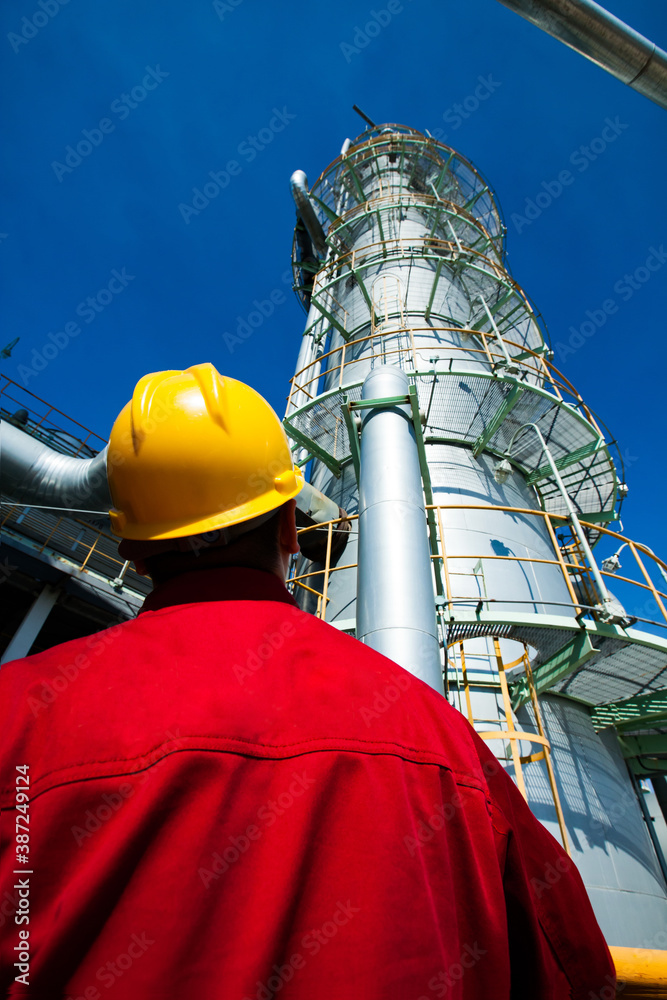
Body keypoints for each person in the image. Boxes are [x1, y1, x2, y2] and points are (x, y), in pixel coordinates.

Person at [0, 364, 615, 999]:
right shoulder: (441, 739)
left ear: (128, 547)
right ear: (293, 528)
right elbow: (579, 968)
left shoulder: (16, 709)